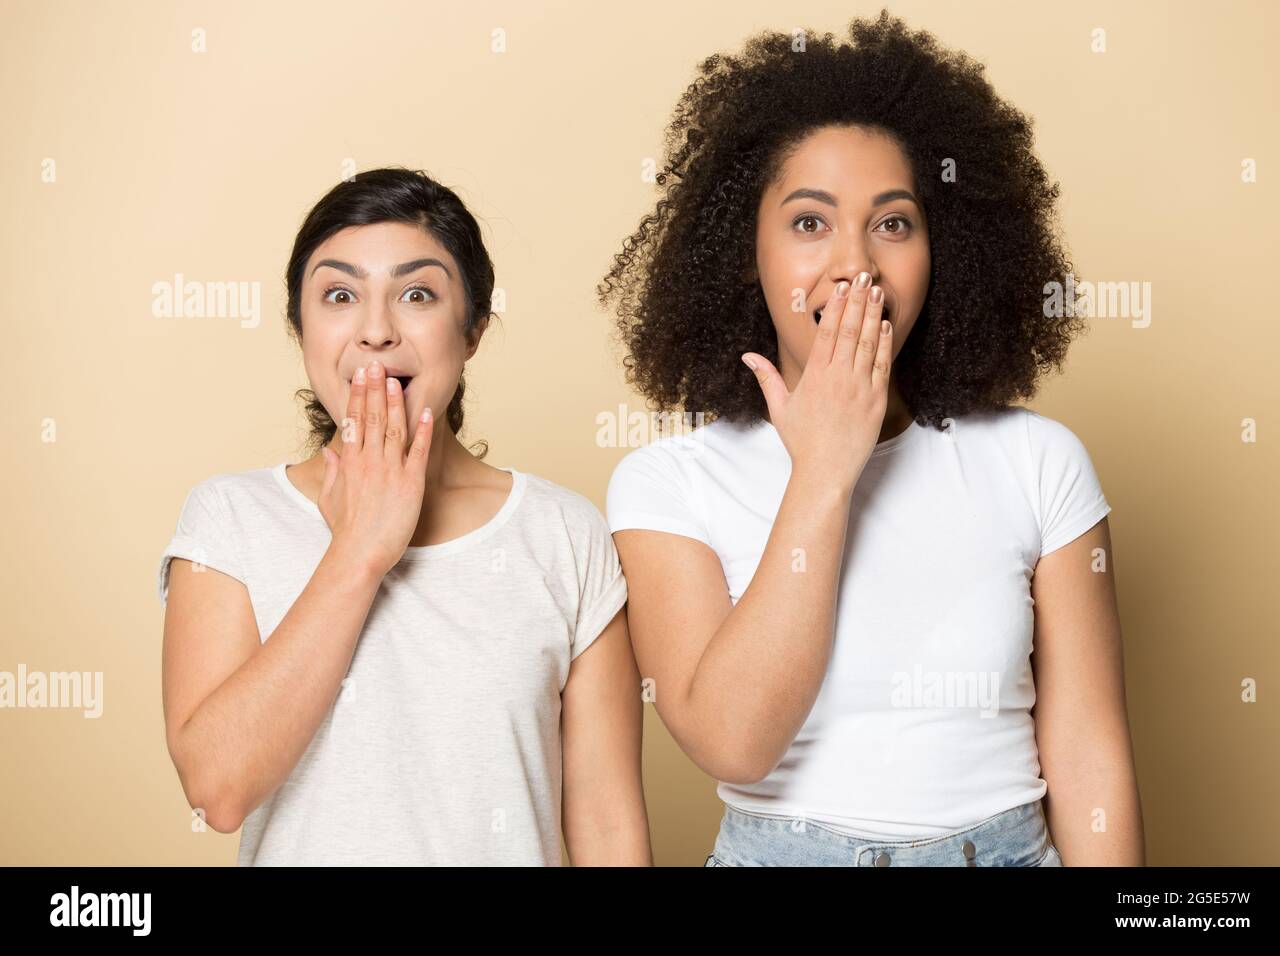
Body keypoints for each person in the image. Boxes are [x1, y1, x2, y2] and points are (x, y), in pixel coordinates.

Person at [599, 12, 1143, 866]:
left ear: (944, 250)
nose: (855, 264)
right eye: (809, 223)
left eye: (893, 224)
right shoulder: (666, 482)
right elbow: (734, 742)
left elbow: (1088, 752)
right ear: (749, 254)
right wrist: (824, 471)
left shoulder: (1040, 461)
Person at [159, 167, 651, 866]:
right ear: (301, 328)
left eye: (417, 294)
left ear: (474, 328)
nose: (376, 332)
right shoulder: (229, 520)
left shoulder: (564, 534)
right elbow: (217, 789)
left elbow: (607, 827)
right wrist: (359, 551)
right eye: (339, 295)